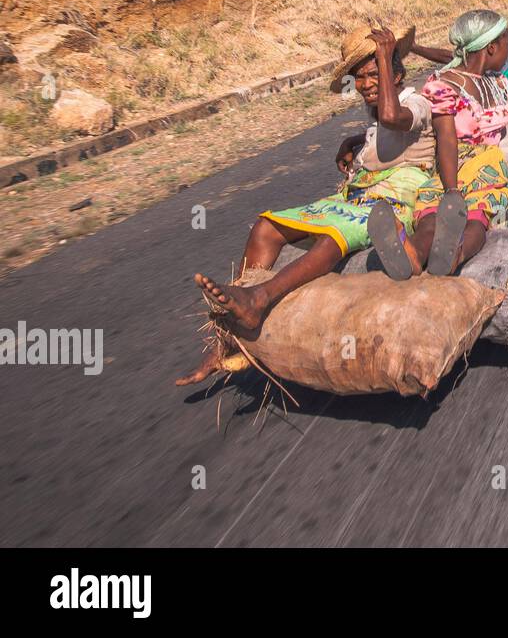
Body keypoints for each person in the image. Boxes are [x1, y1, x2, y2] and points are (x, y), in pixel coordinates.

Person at [178, 25, 433, 386]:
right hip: (357, 195)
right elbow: (384, 131)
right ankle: (226, 335)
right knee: (265, 228)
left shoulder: (416, 101)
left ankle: (258, 298)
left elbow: (397, 119)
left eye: (375, 73)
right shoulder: (377, 115)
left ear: (398, 72)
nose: (366, 84)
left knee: (334, 234)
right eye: (358, 78)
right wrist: (356, 140)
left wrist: (385, 58)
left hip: (396, 198)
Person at [368, 9, 508, 280]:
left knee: (476, 218)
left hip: (480, 165)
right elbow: (447, 137)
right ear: (491, 48)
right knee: (437, 216)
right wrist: (452, 189)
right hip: (455, 166)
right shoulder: (444, 85)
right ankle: (413, 254)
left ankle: (452, 254)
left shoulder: (496, 83)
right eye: (504, 45)